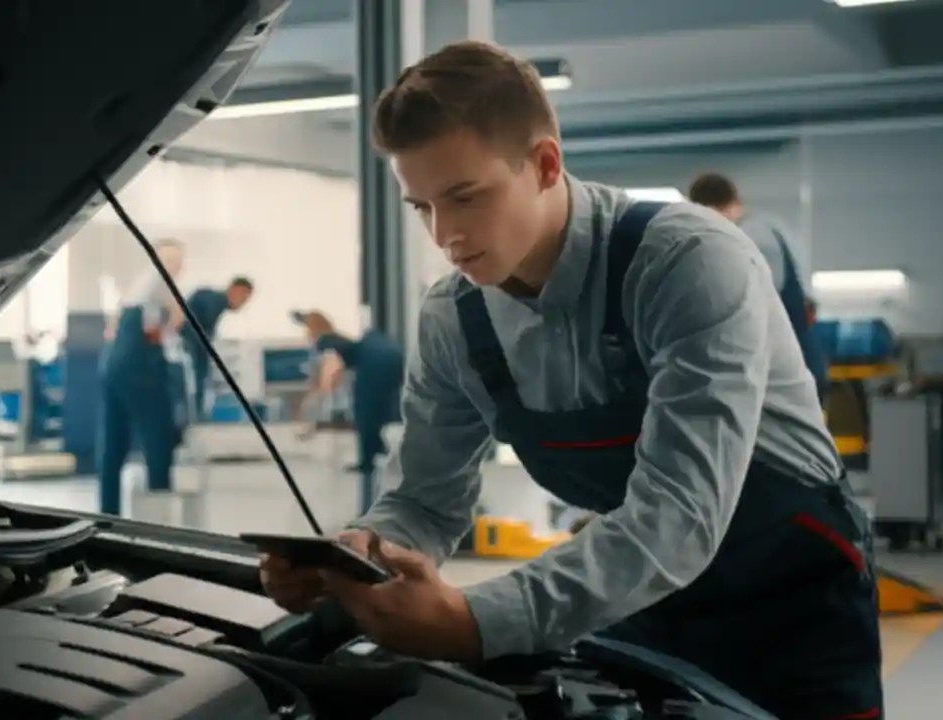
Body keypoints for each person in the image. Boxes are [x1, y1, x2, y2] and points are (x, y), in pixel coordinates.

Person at [259, 41, 881, 718]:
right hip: (637, 593)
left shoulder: (687, 263)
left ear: (546, 164)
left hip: (794, 596)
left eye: (466, 197)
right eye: (423, 207)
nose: (446, 235)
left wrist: (473, 620)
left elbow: (679, 514)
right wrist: (360, 555)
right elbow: (424, 502)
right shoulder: (455, 320)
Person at [688, 172, 830, 400]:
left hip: (789, 376)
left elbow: (758, 301)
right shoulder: (760, 228)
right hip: (784, 374)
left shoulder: (753, 235)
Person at [97, 239, 185, 515]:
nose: (176, 266)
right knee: (159, 434)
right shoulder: (160, 283)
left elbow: (110, 330)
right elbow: (166, 324)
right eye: (173, 260)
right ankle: (160, 510)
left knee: (113, 442)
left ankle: (107, 514)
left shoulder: (136, 286)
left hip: (112, 363)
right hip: (140, 366)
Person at [293, 310, 405, 514]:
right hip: (391, 355)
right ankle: (377, 449)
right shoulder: (338, 336)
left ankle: (367, 462)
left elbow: (331, 369)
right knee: (375, 409)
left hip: (376, 360)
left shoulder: (325, 340)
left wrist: (319, 399)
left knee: (364, 410)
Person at [181, 277, 255, 418]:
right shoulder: (214, 301)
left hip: (190, 344)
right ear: (235, 290)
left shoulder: (214, 301)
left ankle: (197, 414)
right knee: (198, 378)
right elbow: (195, 327)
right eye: (244, 298)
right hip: (190, 345)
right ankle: (196, 415)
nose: (244, 304)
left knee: (200, 377)